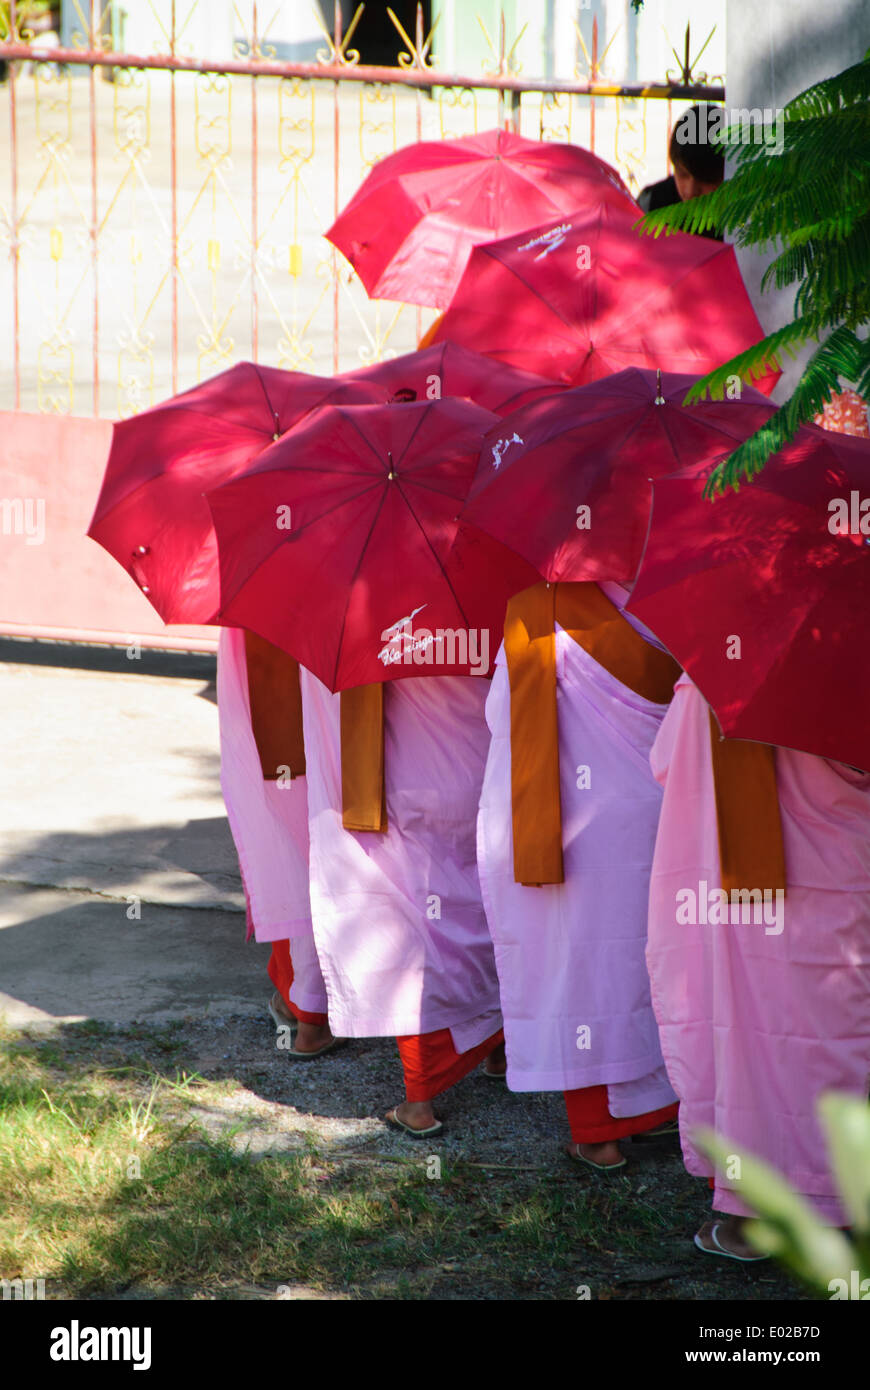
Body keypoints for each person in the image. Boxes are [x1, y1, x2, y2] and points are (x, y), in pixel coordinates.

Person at [646, 674, 870, 1258]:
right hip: (843, 868)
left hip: (747, 883)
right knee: (841, 1028)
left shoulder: (714, 669)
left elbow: (666, 763)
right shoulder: (849, 648)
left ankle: (767, 1208)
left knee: (757, 1040)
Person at [476, 579, 680, 1170]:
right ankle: (653, 1109)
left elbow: (501, 714)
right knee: (646, 957)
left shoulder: (539, 608)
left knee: (580, 967)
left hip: (567, 815)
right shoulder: (672, 605)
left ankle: (599, 1135)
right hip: (650, 813)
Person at [299, 669, 505, 1137]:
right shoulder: (502, 601)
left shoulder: (375, 615)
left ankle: (420, 1104)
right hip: (481, 763)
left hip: (407, 778)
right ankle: (499, 1051)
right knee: (485, 907)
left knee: (418, 934)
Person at [216, 625, 339, 1057]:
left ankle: (309, 1014)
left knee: (298, 855)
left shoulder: (259, 574)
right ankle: (313, 1011)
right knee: (320, 851)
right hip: (337, 687)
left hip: (276, 694)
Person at [638, 103, 724, 240]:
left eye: (705, 179)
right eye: (683, 175)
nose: (690, 192)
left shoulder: (747, 218)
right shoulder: (652, 205)